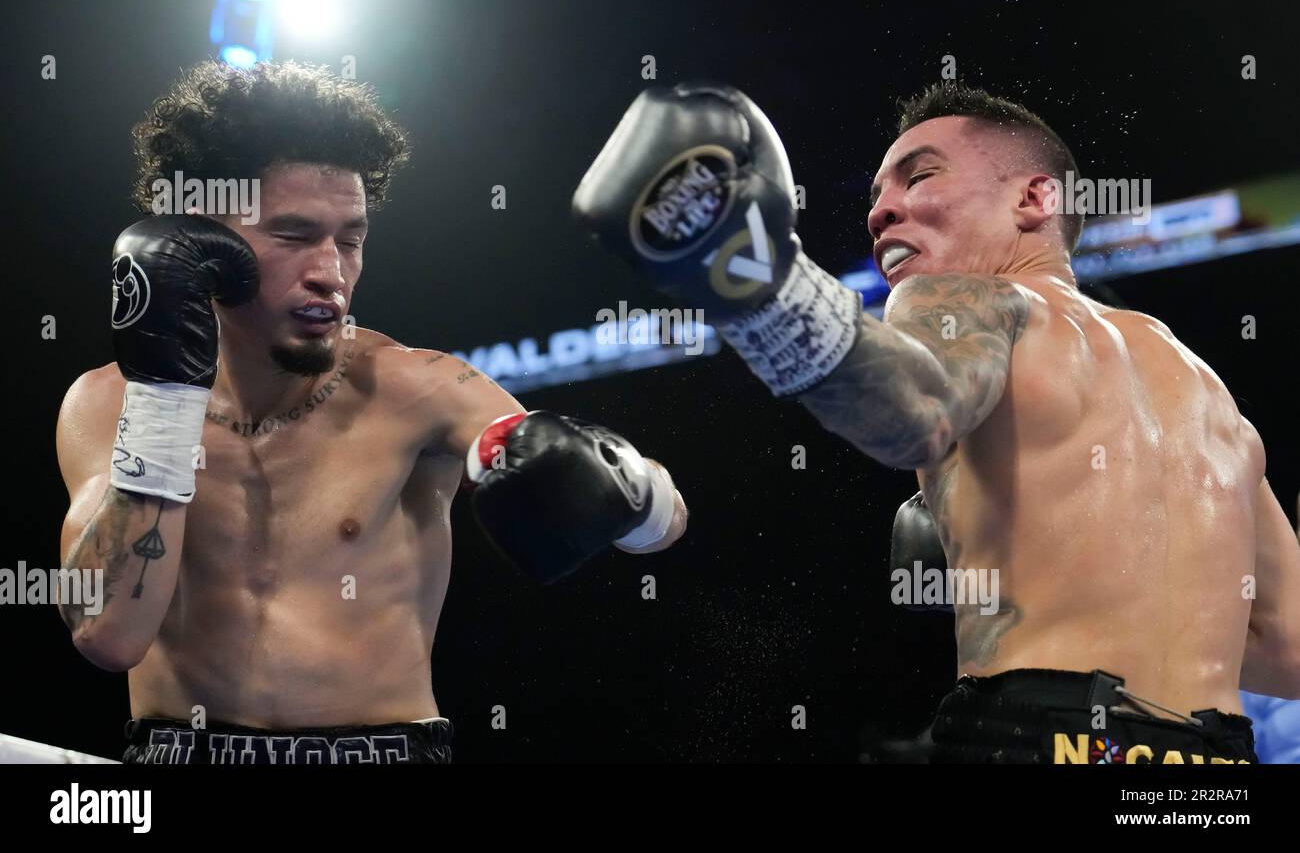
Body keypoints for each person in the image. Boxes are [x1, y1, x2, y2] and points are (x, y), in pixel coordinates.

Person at [573, 80, 1299, 763]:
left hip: (1035, 734)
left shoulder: (967, 300)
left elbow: (912, 416)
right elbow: (1290, 650)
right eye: (877, 193)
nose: (880, 210)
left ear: (1035, 198)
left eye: (919, 177)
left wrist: (751, 280)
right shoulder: (1207, 390)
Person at [56, 60, 688, 764]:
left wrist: (628, 486)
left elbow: (662, 529)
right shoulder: (109, 402)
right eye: (294, 236)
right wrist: (166, 399)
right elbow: (107, 635)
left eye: (350, 240)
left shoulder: (418, 387)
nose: (330, 271)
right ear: (200, 243)